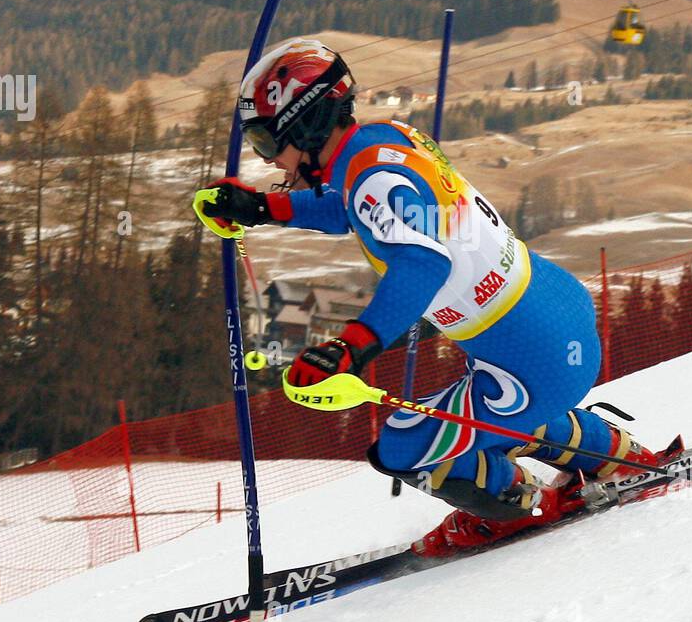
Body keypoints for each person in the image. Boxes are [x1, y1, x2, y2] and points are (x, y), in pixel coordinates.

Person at [197, 38, 667, 556]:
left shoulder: (373, 179)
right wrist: (262, 209)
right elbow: (350, 207)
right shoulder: (380, 144)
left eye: (266, 141)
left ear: (306, 125)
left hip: (529, 354)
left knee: (402, 447)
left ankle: (522, 505)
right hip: (548, 315)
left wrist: (350, 348)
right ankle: (614, 455)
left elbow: (423, 263)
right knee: (491, 413)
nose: (266, 158)